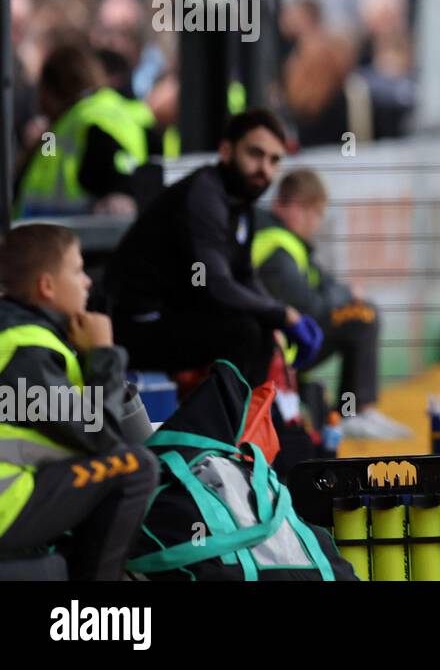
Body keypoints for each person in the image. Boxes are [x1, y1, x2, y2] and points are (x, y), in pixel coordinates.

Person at [104, 109, 323, 386]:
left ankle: (253, 423)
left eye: (274, 160)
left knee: (260, 329)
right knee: (245, 331)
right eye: (255, 154)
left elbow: (243, 276)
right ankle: (222, 427)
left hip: (169, 318)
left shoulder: (241, 203)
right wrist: (283, 315)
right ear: (226, 151)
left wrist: (277, 316)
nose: (264, 169)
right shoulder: (203, 195)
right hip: (135, 325)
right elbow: (216, 285)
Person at [0, 223, 159, 579]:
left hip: (17, 496)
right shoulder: (25, 349)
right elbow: (100, 435)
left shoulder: (17, 335)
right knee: (135, 468)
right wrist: (104, 353)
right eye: (77, 269)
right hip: (6, 506)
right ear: (47, 286)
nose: (87, 281)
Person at [253, 168, 410, 439]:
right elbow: (306, 308)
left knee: (358, 307)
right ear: (288, 205)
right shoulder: (276, 245)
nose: (315, 221)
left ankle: (360, 410)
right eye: (311, 212)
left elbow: (323, 283)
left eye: (318, 214)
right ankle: (356, 412)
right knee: (361, 315)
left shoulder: (287, 240)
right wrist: (347, 298)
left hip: (285, 347)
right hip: (272, 354)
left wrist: (347, 292)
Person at [14, 44, 155, 219]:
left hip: (73, 239)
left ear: (50, 91)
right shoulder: (121, 109)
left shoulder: (79, 121)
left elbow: (119, 178)